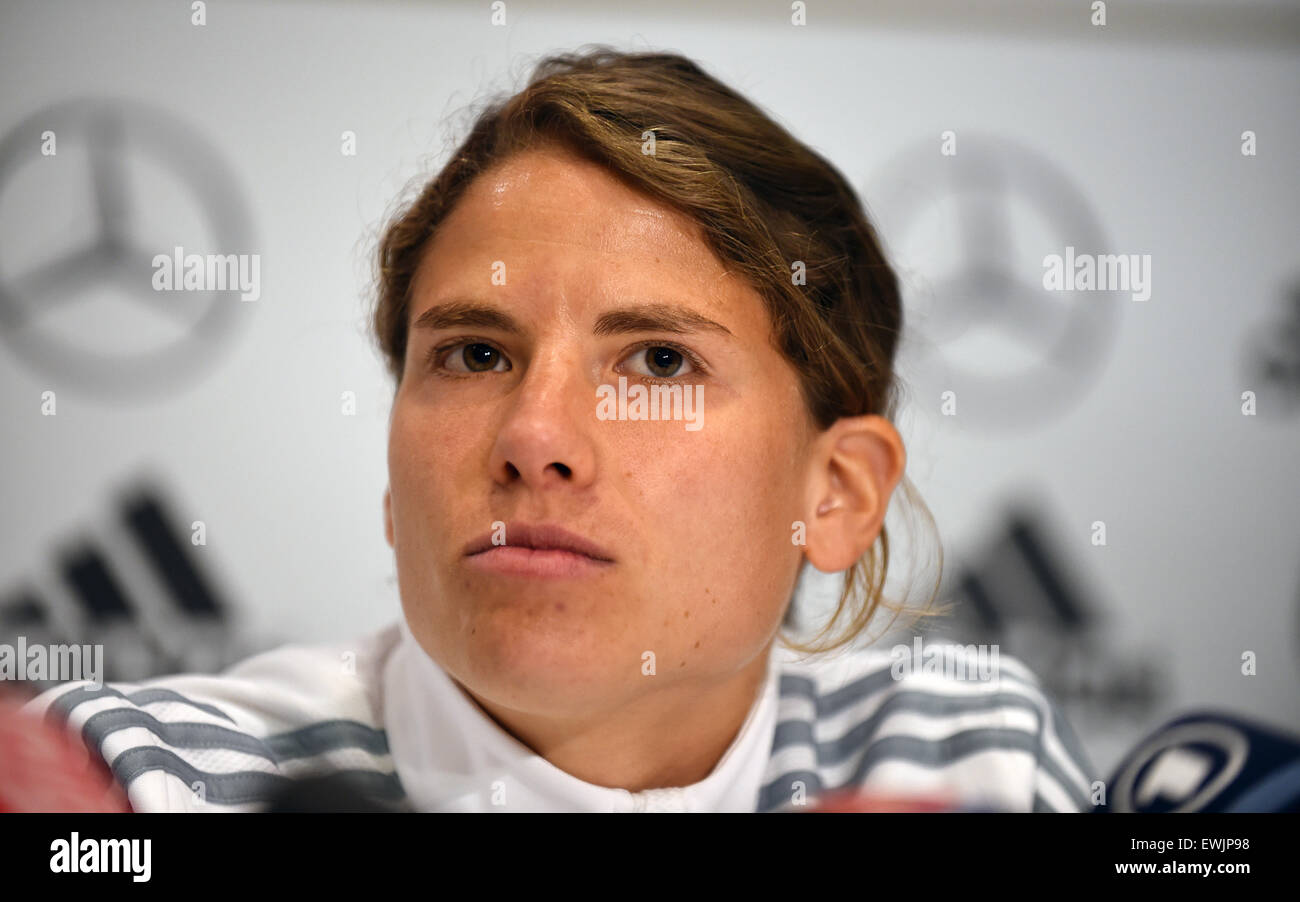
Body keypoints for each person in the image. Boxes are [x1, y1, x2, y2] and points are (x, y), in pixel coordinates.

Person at [20, 46, 1095, 813]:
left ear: (837, 493)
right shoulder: (132, 781)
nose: (535, 437)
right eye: (475, 355)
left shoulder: (960, 761)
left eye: (659, 361)